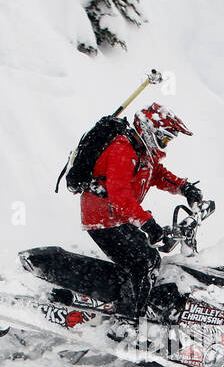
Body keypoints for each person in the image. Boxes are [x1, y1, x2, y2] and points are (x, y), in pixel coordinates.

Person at [80, 103, 204, 322]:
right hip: (102, 218)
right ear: (149, 131)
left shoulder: (142, 153)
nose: (164, 144)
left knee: (147, 258)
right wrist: (148, 224)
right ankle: (126, 321)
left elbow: (157, 174)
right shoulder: (122, 149)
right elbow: (120, 197)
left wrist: (184, 187)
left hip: (116, 217)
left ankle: (128, 305)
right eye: (163, 139)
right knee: (144, 262)